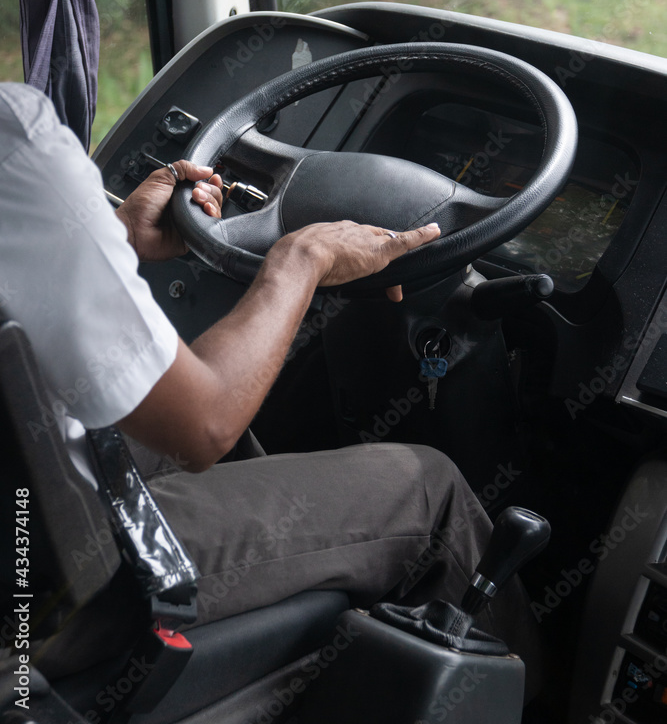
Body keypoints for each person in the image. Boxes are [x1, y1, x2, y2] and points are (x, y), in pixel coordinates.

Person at [0, 81, 538, 683]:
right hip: (48, 575)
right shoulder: (14, 134)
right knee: (430, 490)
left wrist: (113, 235)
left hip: (28, 482)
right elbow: (201, 427)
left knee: (242, 443)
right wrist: (303, 258)